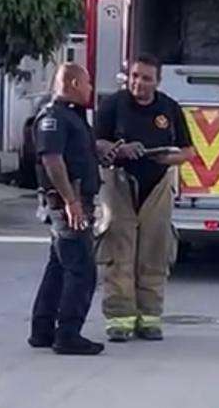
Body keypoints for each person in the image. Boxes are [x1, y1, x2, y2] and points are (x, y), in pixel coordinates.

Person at [95, 54, 193, 343]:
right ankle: (119, 320)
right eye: (134, 76)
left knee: (154, 253)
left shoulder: (169, 109)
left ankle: (150, 318)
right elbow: (96, 141)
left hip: (158, 186)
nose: (138, 83)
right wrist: (119, 150)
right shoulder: (113, 105)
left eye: (146, 78)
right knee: (119, 253)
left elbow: (188, 152)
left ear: (158, 81)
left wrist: (166, 158)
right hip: (119, 183)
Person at [29, 63, 106, 356]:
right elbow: (52, 159)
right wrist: (71, 201)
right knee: (82, 269)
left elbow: (76, 154)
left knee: (59, 266)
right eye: (87, 83)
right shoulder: (53, 117)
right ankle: (68, 334)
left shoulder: (71, 116)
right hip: (68, 204)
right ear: (73, 83)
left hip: (71, 201)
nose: (90, 89)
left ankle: (42, 330)